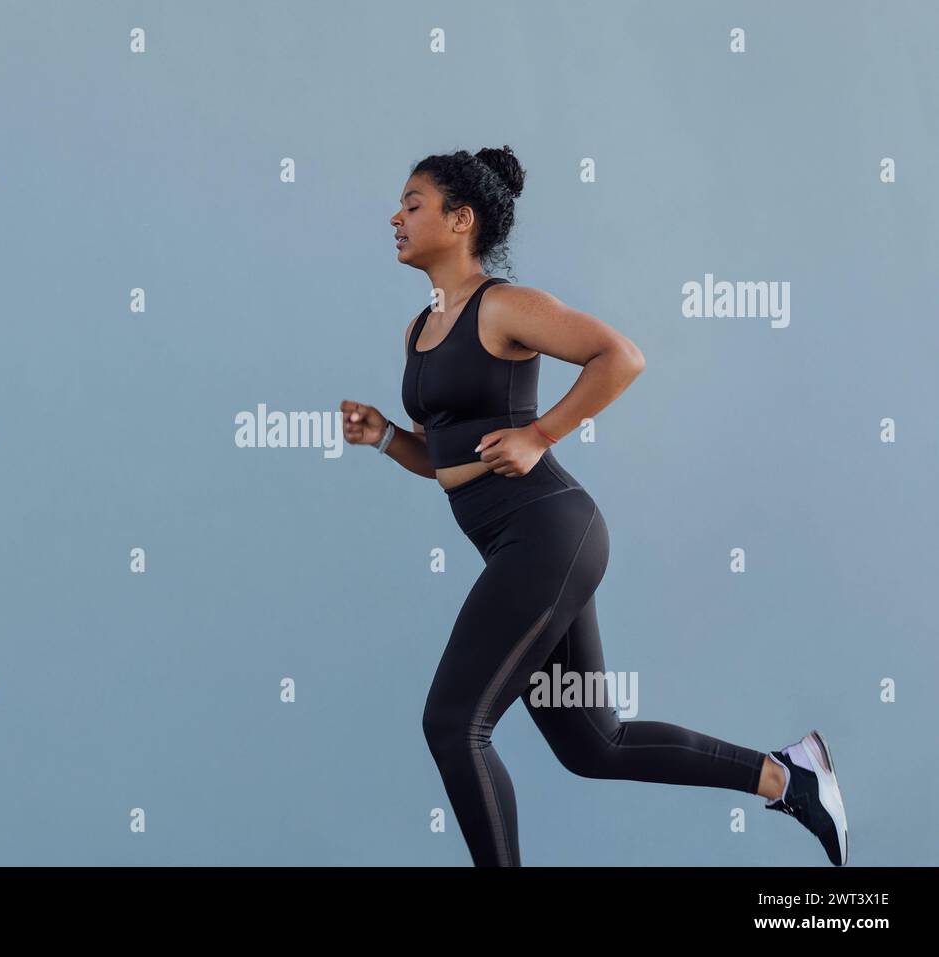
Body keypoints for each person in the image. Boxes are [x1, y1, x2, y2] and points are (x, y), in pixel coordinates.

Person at [339, 145, 848, 867]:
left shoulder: (505, 305)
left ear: (461, 220)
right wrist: (387, 436)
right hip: (528, 542)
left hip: (547, 531)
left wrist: (541, 433)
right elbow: (445, 463)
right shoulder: (420, 329)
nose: (395, 216)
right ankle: (789, 774)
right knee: (591, 742)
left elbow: (621, 355)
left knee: (455, 723)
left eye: (412, 203)